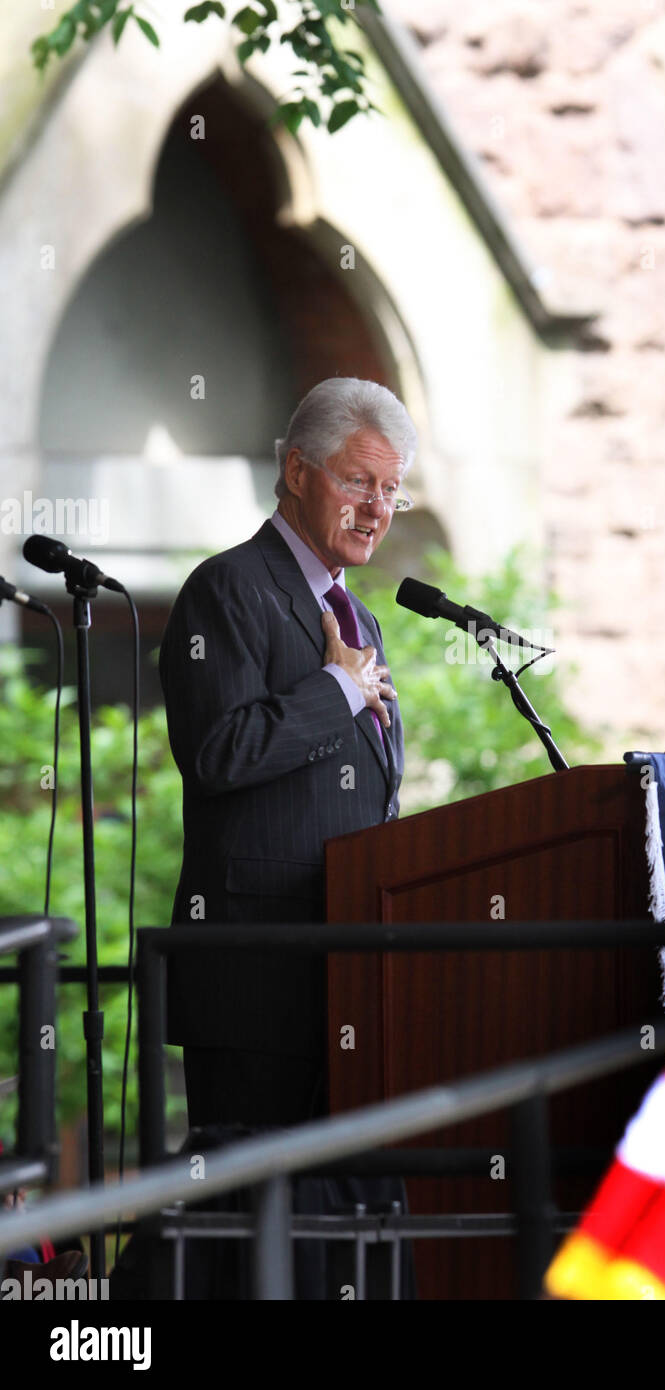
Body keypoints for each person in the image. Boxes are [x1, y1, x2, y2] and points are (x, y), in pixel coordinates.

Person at [152, 377, 415, 1296]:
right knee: (246, 1237)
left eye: (391, 491)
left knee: (325, 1234)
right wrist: (336, 693)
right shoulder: (227, 590)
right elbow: (219, 753)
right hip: (257, 979)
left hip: (348, 976)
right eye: (358, 482)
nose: (377, 508)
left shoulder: (364, 619)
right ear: (296, 472)